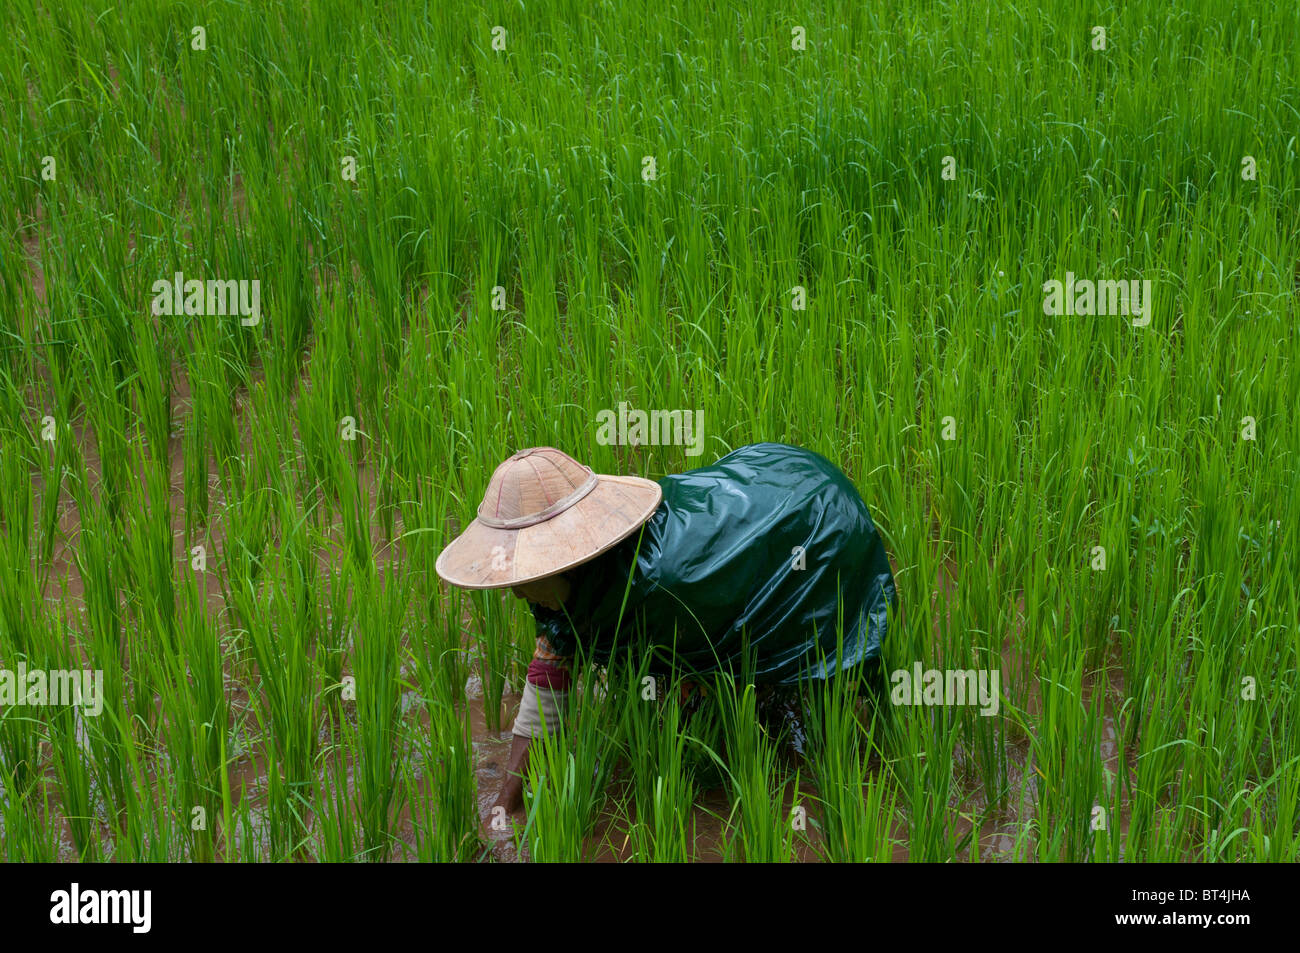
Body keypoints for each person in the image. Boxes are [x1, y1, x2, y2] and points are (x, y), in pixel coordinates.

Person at [435, 442, 895, 820]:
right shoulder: (555, 589)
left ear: (568, 557)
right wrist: (503, 808)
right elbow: (549, 675)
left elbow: (711, 659)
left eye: (526, 576)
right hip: (771, 479)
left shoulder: (666, 586)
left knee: (780, 676)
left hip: (815, 514)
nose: (516, 594)